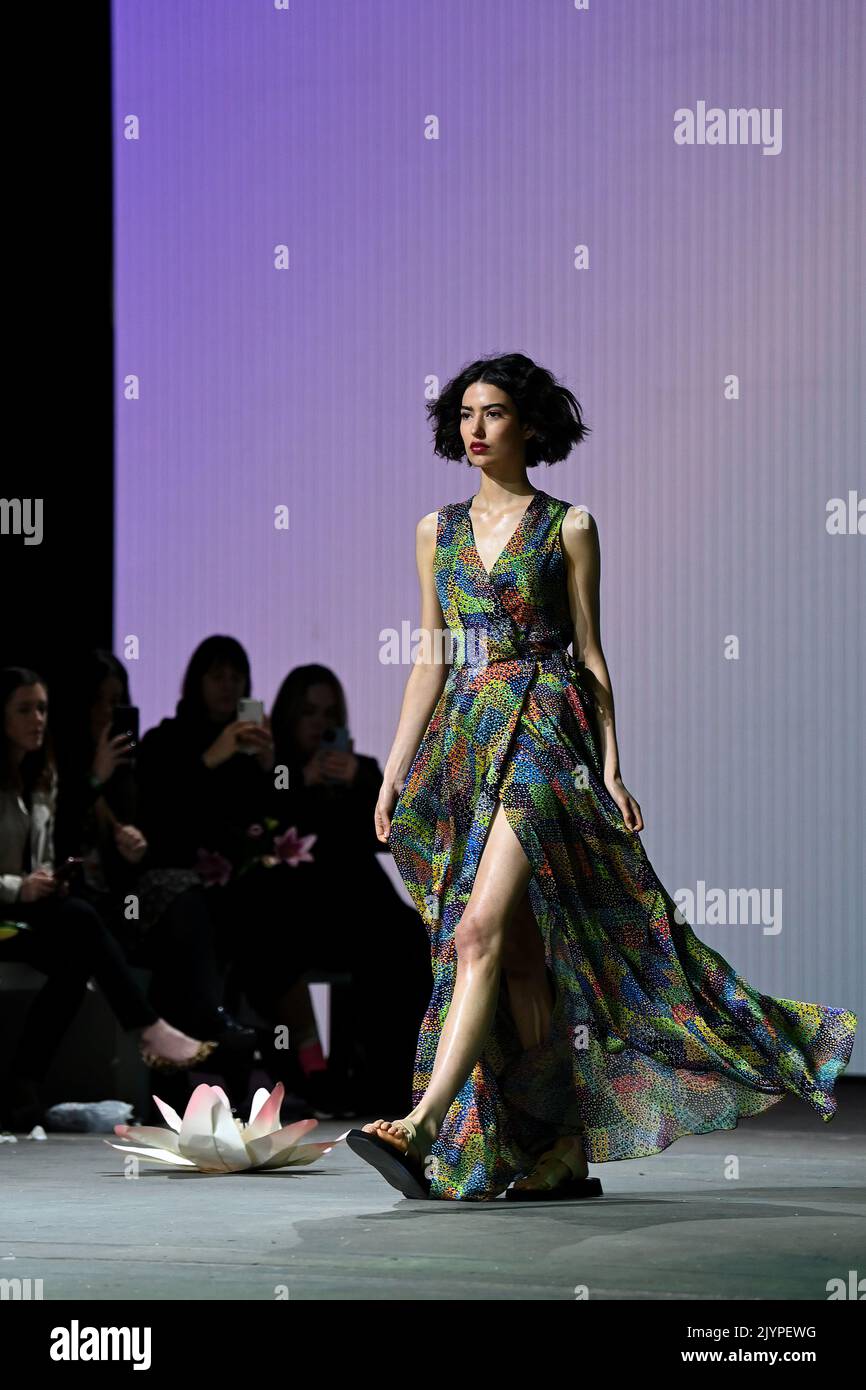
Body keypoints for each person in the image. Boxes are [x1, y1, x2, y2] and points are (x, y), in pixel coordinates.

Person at [345, 352, 859, 1202]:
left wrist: (614, 766)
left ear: (531, 425)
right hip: (468, 738)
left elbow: (589, 654)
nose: (476, 428)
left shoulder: (569, 525)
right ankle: (558, 1148)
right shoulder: (434, 530)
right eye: (466, 413)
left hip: (549, 728)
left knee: (475, 932)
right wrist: (394, 771)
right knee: (517, 958)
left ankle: (423, 1124)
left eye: (495, 413)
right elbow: (430, 657)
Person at [133, 635, 351, 1116]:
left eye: (237, 677)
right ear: (196, 681)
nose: (228, 686)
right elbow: (159, 813)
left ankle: (282, 1064)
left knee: (277, 928)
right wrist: (213, 755)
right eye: (217, 675)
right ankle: (289, 1065)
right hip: (185, 884)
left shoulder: (255, 747)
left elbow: (274, 820)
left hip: (249, 889)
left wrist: (271, 767)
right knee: (248, 933)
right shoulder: (168, 739)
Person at [0, 668, 217, 1132]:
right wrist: (20, 886)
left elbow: (49, 851)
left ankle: (22, 1083)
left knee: (76, 956)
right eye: (23, 709)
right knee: (78, 920)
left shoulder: (42, 774)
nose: (37, 719)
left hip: (22, 915)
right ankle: (148, 1028)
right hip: (7, 909)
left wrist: (47, 879)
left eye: (41, 708)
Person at [50, 649, 255, 1049]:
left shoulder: (127, 764)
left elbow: (154, 832)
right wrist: (94, 779)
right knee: (177, 893)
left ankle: (211, 1034)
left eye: (119, 702)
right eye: (104, 702)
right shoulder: (61, 761)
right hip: (79, 896)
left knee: (197, 910)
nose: (112, 712)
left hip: (126, 893)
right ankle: (201, 1026)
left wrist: (134, 842)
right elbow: (59, 836)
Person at [266, 664, 432, 1110]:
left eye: (329, 713)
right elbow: (266, 832)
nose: (321, 724)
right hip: (297, 909)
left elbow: (382, 834)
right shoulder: (273, 771)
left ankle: (395, 1081)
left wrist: (358, 782)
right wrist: (303, 783)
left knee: (407, 936)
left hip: (362, 903)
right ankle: (333, 1076)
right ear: (288, 716)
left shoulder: (360, 771)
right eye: (309, 713)